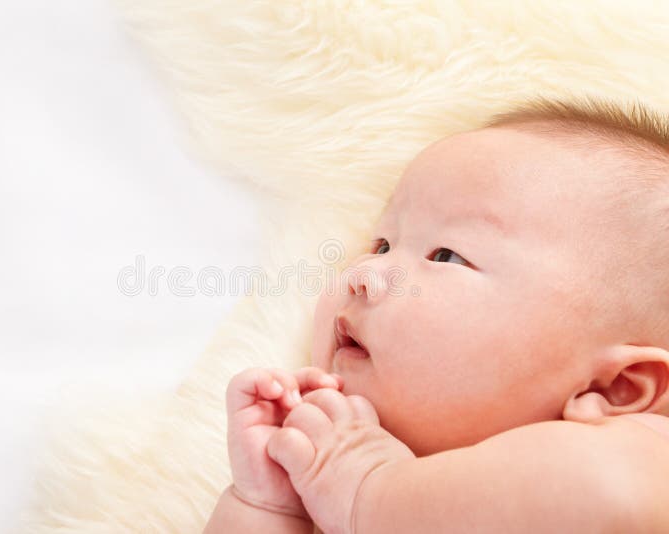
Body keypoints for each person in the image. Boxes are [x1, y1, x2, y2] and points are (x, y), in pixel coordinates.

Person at [204, 96, 669, 533]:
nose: (365, 273)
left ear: (617, 387)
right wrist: (267, 506)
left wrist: (369, 490)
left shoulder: (640, 452)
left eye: (446, 255)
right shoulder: (337, 474)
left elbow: (607, 489)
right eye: (382, 244)